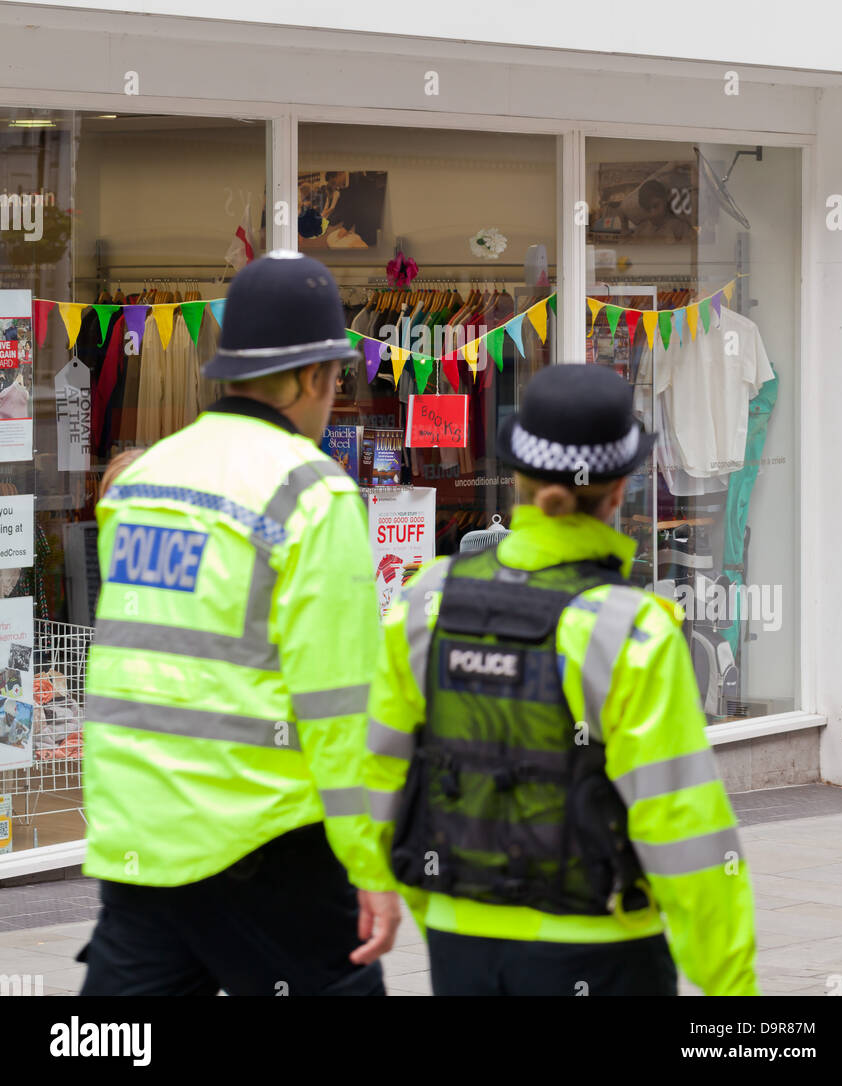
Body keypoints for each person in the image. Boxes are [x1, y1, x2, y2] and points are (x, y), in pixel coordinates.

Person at [364, 363, 758, 996]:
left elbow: (381, 765)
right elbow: (682, 829)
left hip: (457, 938)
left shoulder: (427, 600)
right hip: (598, 951)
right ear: (620, 488)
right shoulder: (630, 631)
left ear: (516, 476)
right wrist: (734, 991)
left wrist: (376, 878)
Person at [80, 250, 401, 996]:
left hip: (140, 839)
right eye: (336, 375)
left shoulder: (142, 480)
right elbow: (339, 709)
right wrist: (367, 862)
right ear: (315, 376)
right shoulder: (312, 495)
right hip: (265, 847)